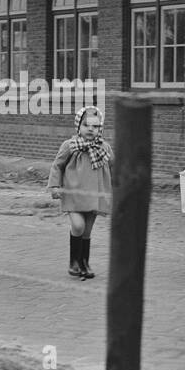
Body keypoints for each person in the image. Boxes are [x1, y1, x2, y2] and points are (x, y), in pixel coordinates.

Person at [47, 105, 113, 279]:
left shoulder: (104, 148)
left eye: (95, 126)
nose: (90, 129)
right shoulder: (70, 145)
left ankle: (84, 263)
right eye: (86, 125)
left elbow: (115, 168)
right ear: (78, 126)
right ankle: (73, 261)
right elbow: (57, 165)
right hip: (74, 195)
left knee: (87, 231)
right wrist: (54, 186)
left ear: (101, 128)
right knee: (78, 226)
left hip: (95, 196)